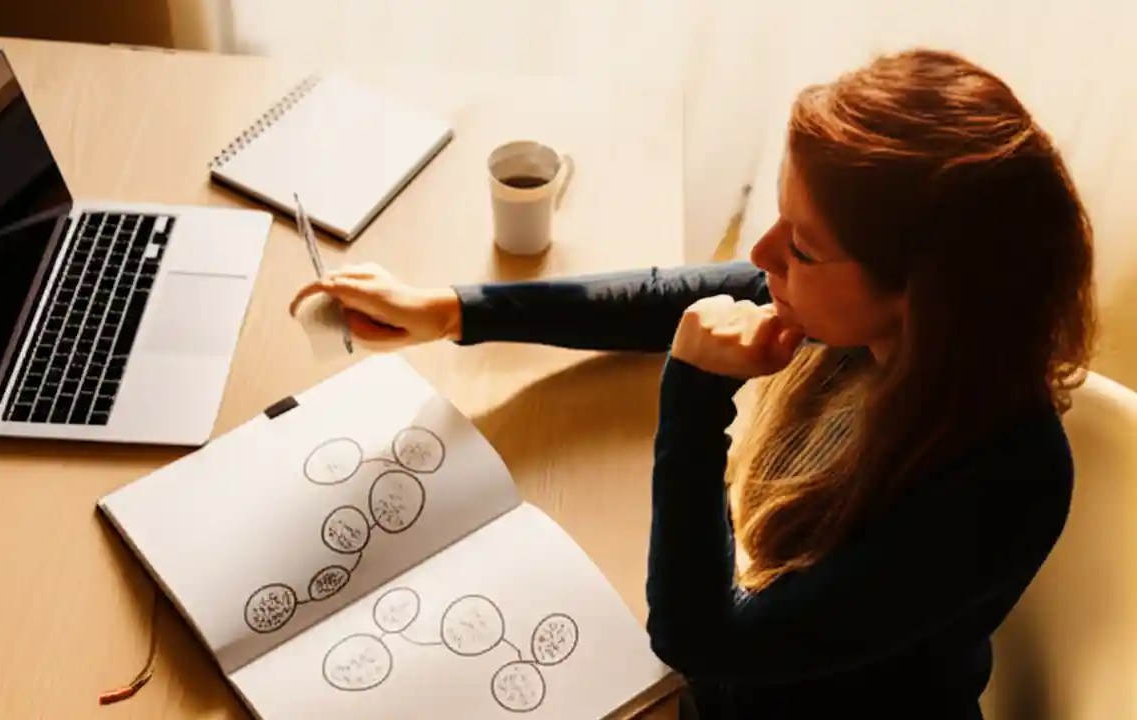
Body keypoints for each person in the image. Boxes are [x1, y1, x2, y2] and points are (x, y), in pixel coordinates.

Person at [289, 48, 1096, 719]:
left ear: (919, 292)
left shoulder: (1006, 484)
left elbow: (705, 644)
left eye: (803, 248)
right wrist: (454, 310)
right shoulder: (877, 328)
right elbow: (667, 296)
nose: (763, 252)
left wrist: (693, 395)